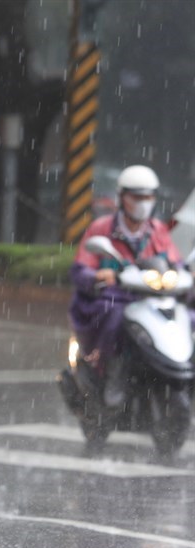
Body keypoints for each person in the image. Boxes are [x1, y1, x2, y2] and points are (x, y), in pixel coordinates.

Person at [69, 164, 183, 407]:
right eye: (137, 196)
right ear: (122, 197)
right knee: (113, 317)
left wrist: (184, 272)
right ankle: (113, 372)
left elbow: (174, 261)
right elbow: (81, 268)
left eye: (149, 196)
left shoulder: (157, 230)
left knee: (186, 317)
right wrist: (99, 275)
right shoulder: (102, 228)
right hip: (114, 296)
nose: (143, 202)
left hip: (149, 297)